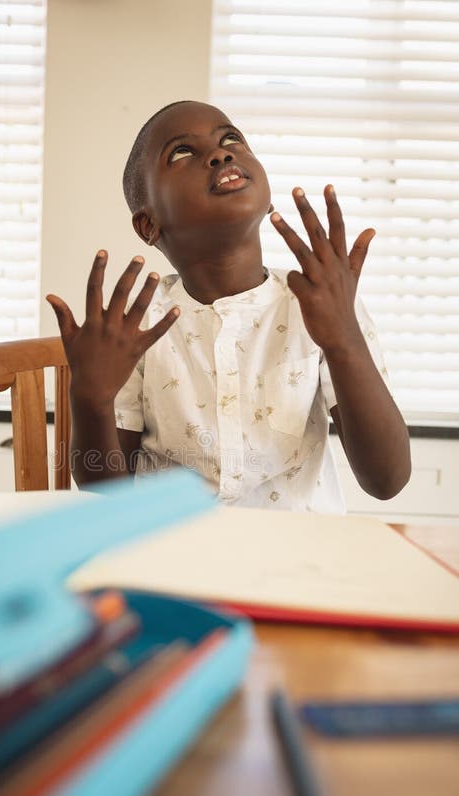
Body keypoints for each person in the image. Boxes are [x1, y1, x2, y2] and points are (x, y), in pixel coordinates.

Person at [47, 100, 411, 511]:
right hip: (174, 555)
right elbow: (105, 500)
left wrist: (345, 340)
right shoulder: (138, 327)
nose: (221, 153)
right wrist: (90, 398)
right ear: (148, 224)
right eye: (182, 152)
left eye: (231, 139)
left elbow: (387, 480)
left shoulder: (324, 300)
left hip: (299, 560)